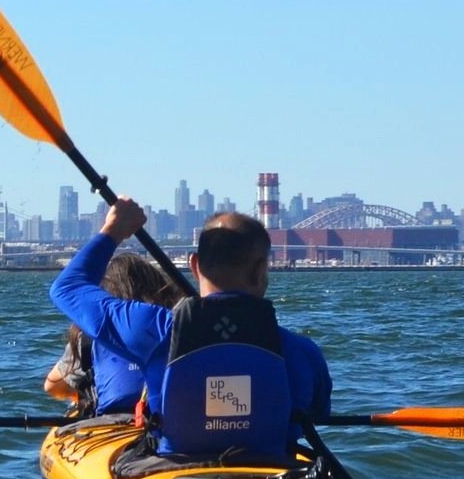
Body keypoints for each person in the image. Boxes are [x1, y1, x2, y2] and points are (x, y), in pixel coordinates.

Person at [49, 199, 330, 464]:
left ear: (195, 267)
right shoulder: (303, 352)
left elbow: (67, 289)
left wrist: (113, 231)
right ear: (261, 271)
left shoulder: (156, 331)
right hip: (276, 478)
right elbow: (316, 415)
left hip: (176, 471)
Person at [42, 249, 187, 416]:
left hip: (114, 424)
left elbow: (52, 386)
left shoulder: (91, 335)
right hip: (171, 421)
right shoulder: (175, 324)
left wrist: (84, 393)